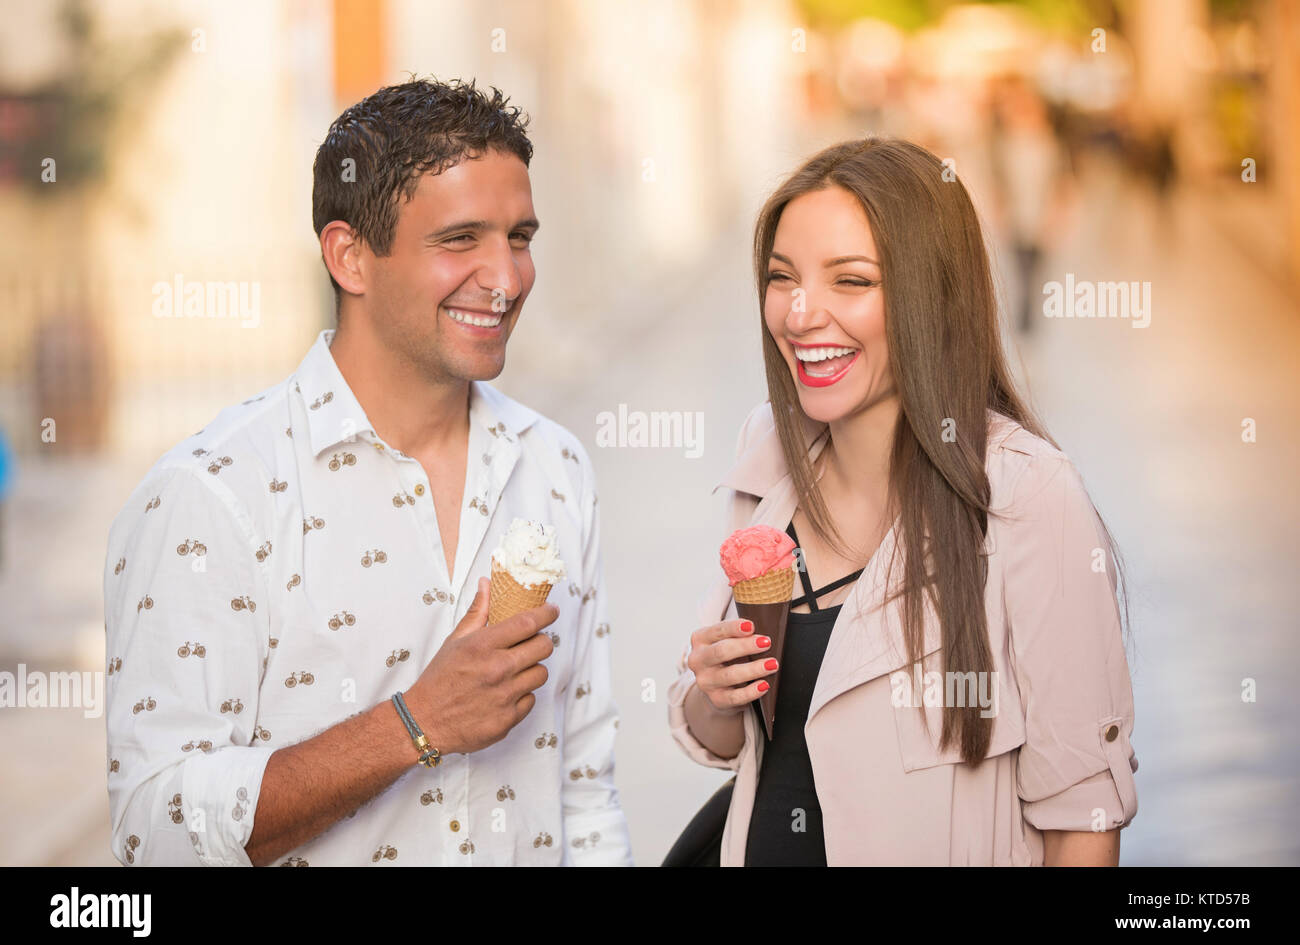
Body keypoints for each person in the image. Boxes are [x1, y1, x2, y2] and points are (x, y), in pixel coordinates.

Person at [103, 78, 632, 866]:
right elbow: (156, 830)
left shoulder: (555, 465)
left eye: (519, 237)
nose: (507, 277)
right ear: (350, 255)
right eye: (461, 240)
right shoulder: (212, 494)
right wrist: (416, 722)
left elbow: (585, 787)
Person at [667, 137, 1138, 866]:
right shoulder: (767, 455)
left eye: (851, 281)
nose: (800, 313)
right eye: (782, 277)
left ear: (931, 294)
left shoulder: (1027, 495)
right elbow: (731, 741)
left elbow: (1084, 819)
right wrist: (716, 693)